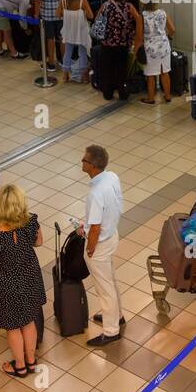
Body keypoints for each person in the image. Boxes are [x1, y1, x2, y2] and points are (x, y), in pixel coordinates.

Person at [0, 183, 45, 377]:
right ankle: (32, 362)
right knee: (29, 321)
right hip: (30, 278)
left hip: (5, 284)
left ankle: (20, 366)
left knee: (13, 326)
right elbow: (39, 242)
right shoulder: (31, 221)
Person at [80, 144, 124, 347]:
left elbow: (95, 228)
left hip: (101, 243)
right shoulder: (112, 177)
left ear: (94, 166)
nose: (82, 161)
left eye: (85, 160)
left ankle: (111, 330)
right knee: (111, 280)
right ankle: (117, 316)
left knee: (104, 288)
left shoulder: (96, 193)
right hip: (112, 234)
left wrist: (90, 249)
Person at [93, 0, 140, 101]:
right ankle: (122, 92)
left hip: (107, 44)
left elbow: (97, 19)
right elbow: (138, 19)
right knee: (121, 69)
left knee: (107, 69)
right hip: (122, 44)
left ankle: (108, 93)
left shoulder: (106, 6)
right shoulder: (129, 7)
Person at [31, 0, 68, 73]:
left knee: (50, 39)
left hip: (48, 15)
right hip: (62, 13)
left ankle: (51, 63)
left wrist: (36, 14)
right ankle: (64, 61)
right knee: (62, 38)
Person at [138, 0, 174, 104]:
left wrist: (135, 49)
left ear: (142, 1)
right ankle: (168, 96)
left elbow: (139, 36)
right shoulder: (163, 13)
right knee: (165, 72)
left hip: (150, 49)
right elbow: (172, 30)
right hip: (164, 46)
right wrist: (165, 36)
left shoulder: (141, 16)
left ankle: (151, 98)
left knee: (151, 74)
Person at [60, 0, 94, 85]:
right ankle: (84, 77)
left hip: (69, 30)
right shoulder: (82, 1)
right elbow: (90, 16)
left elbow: (58, 14)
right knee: (82, 52)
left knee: (68, 52)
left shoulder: (63, 1)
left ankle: (65, 76)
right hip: (81, 30)